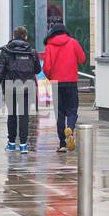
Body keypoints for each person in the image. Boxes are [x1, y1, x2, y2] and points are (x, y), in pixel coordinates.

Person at [0, 27, 39, 153]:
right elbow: (37, 70)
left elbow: (0, 71)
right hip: (27, 87)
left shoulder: (6, 51)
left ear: (13, 36)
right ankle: (24, 144)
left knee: (12, 115)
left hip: (10, 87)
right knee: (24, 116)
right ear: (25, 36)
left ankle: (12, 143)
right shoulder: (32, 52)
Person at [42, 25, 85, 153]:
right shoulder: (73, 43)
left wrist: (51, 78)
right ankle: (70, 129)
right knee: (72, 110)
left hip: (56, 83)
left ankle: (62, 144)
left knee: (59, 114)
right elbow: (82, 59)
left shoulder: (49, 46)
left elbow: (46, 67)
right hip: (71, 82)